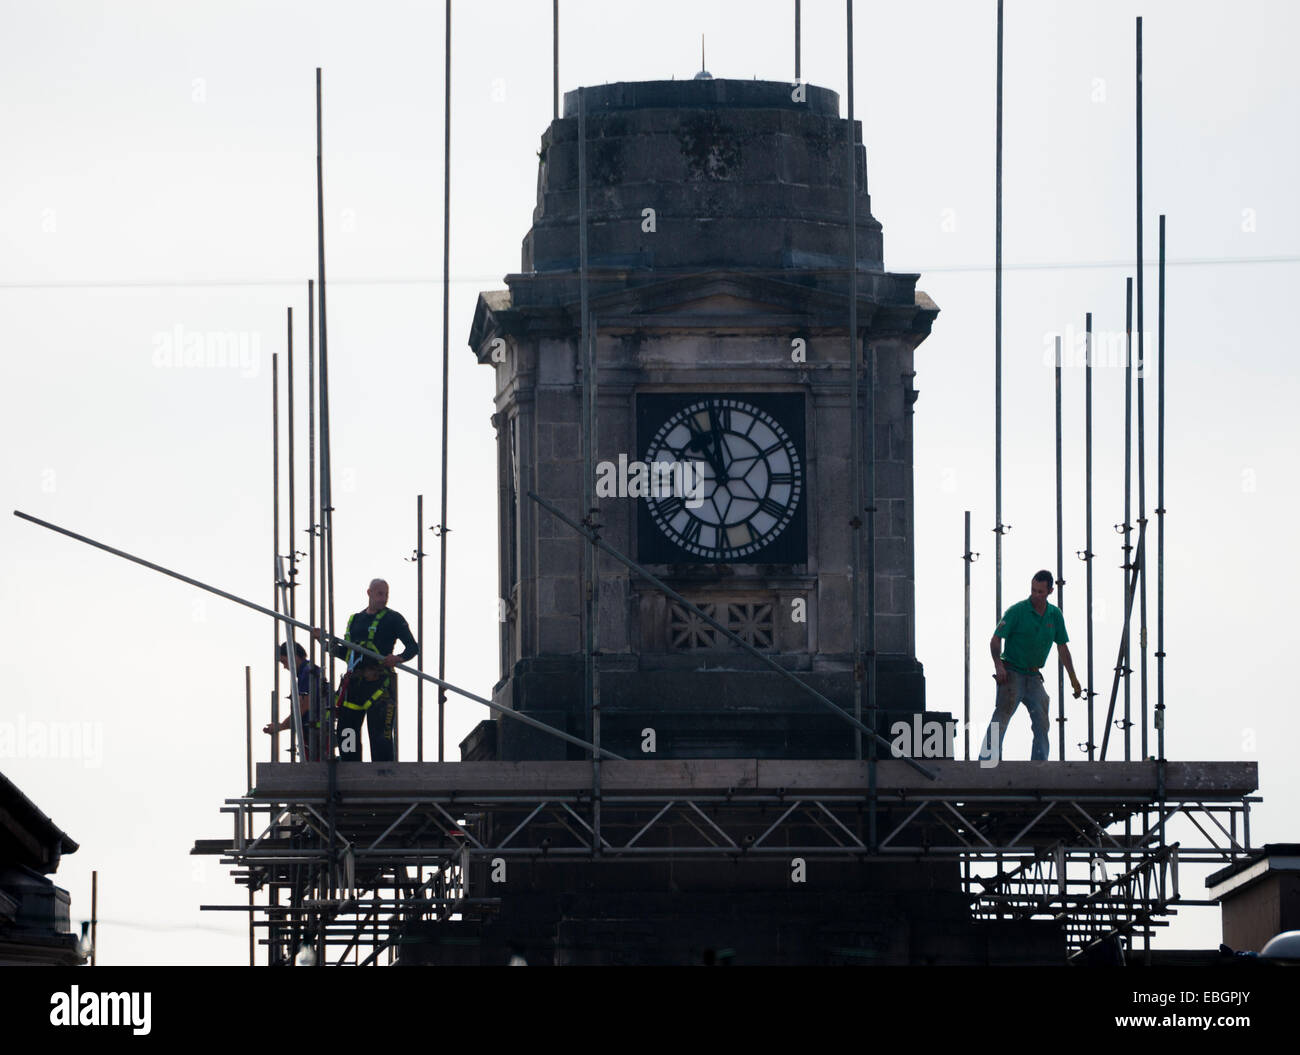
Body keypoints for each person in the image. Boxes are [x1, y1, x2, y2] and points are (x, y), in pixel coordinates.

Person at [979, 570, 1081, 763]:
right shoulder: (1017, 611)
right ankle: (987, 761)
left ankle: (1039, 766)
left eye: (1040, 592)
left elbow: (1063, 648)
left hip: (1033, 676)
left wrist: (1073, 679)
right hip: (1012, 672)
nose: (1035, 595)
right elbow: (995, 640)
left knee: (1042, 720)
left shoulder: (1054, 615)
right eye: (1033, 590)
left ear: (1050, 591)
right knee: (1002, 715)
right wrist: (999, 667)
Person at [314, 578, 418, 763]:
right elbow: (346, 654)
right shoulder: (355, 620)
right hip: (354, 686)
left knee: (381, 739)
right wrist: (322, 642)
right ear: (369, 593)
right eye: (380, 594)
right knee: (347, 732)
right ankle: (349, 773)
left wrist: (398, 658)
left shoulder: (393, 618)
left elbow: (413, 647)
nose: (383, 598)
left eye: (386, 594)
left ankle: (382, 778)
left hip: (380, 685)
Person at [263, 641, 325, 761]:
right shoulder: (307, 672)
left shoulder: (308, 673)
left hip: (315, 731)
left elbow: (303, 706)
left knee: (314, 771)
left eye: (284, 661)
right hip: (314, 730)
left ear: (294, 657)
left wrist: (280, 726)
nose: (285, 667)